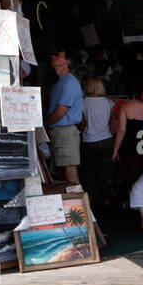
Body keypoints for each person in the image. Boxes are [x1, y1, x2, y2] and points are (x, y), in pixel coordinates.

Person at [113, 82, 143, 231]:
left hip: (131, 150)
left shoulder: (126, 107)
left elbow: (122, 130)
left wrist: (115, 149)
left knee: (137, 184)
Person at [45, 47, 83, 184]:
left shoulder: (69, 82)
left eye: (58, 55)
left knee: (69, 172)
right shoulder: (59, 84)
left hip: (65, 131)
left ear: (66, 62)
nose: (53, 56)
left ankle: (80, 205)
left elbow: (61, 111)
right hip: (59, 131)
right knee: (62, 173)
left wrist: (44, 124)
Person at [80, 76, 115, 210]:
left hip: (89, 141)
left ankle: (92, 200)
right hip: (106, 139)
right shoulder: (108, 102)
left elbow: (82, 124)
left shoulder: (84, 102)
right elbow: (111, 120)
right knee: (105, 171)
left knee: (89, 173)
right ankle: (106, 198)